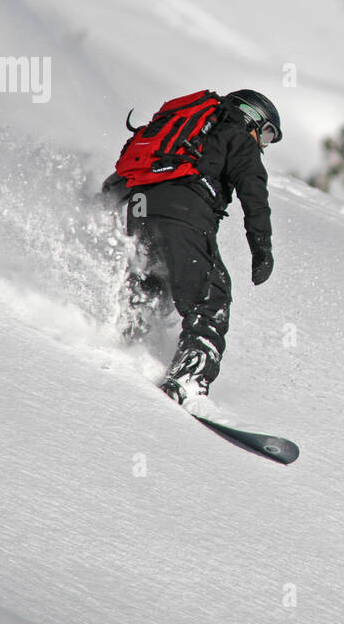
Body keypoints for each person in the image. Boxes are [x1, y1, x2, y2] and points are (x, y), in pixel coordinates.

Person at [103, 89, 281, 403]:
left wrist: (97, 206)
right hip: (184, 215)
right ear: (253, 116)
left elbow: (122, 179)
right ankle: (189, 380)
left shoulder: (186, 135)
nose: (263, 144)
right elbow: (255, 196)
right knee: (211, 296)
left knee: (154, 282)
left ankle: (128, 343)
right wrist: (261, 248)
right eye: (267, 134)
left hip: (141, 211)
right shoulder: (237, 135)